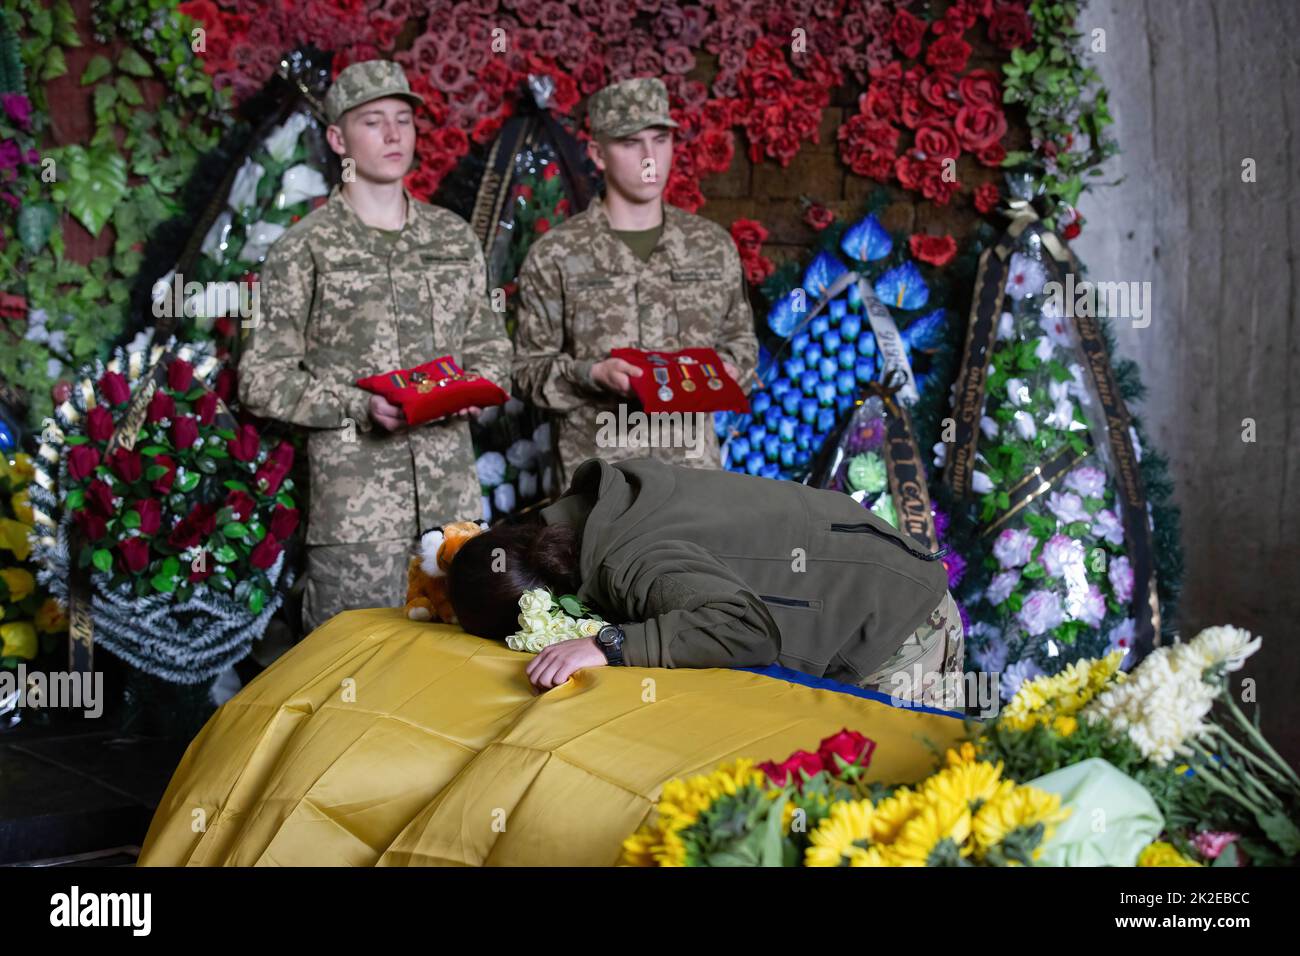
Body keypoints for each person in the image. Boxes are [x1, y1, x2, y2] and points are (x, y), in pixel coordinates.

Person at [239, 60, 511, 634]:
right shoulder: (304, 249)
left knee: (457, 670)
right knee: (347, 670)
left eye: (404, 121)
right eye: (373, 122)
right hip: (358, 520)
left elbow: (491, 345)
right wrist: (359, 405)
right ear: (338, 138)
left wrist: (474, 387)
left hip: (452, 510)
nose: (393, 135)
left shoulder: (452, 237)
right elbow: (260, 378)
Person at [447, 457, 965, 708]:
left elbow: (747, 630)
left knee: (896, 807)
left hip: (899, 623)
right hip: (873, 567)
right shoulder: (588, 514)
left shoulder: (631, 562)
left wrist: (608, 644)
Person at [511, 76, 759, 485]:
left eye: (660, 139)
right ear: (598, 154)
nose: (649, 157)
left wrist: (730, 372)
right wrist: (591, 375)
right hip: (598, 484)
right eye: (630, 143)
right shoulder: (557, 253)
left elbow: (742, 344)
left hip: (694, 483)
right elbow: (525, 372)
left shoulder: (711, 246)